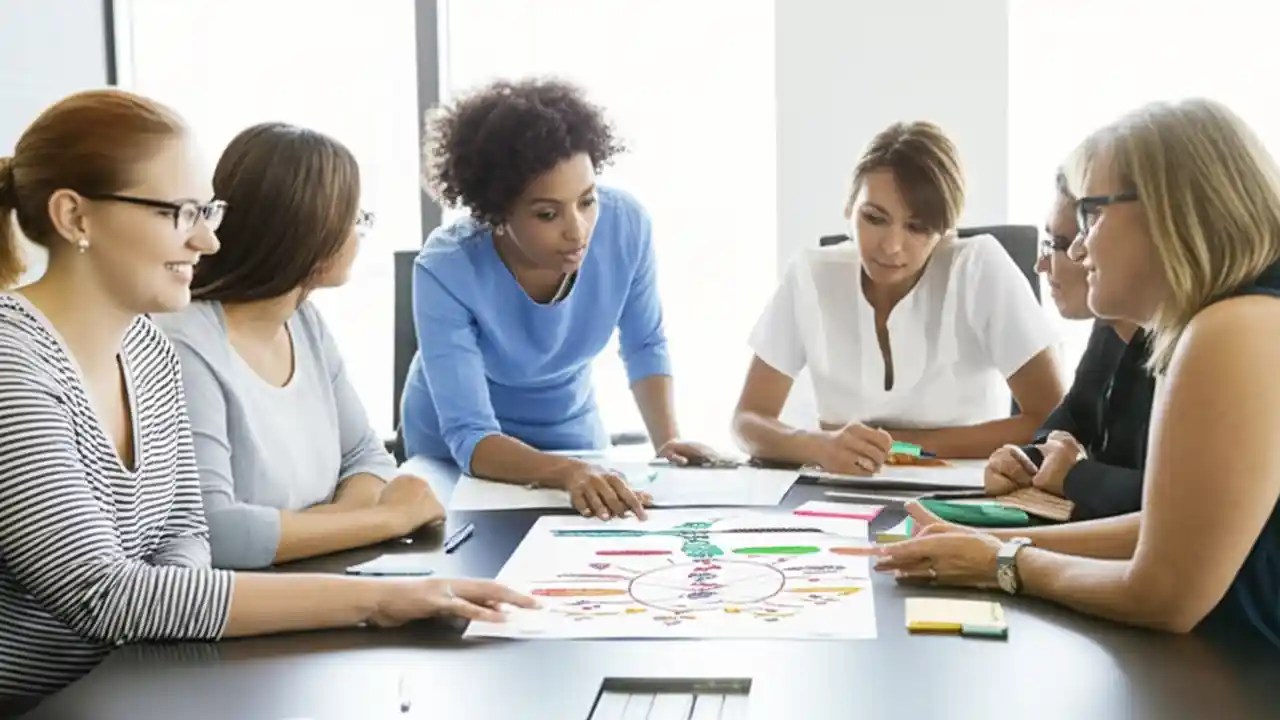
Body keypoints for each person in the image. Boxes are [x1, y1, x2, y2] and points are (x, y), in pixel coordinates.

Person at [0, 90, 533, 710]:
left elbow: (184, 534)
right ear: (75, 219)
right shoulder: (14, 364)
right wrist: (380, 599)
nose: (208, 242)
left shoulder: (145, 348)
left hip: (138, 681)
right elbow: (105, 593)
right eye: (179, 213)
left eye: (209, 211)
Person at [873, 98, 1280, 646]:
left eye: (1091, 213)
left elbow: (1165, 594)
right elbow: (1175, 535)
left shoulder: (1236, 328)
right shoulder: (1238, 319)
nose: (1080, 246)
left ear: (1170, 208)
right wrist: (976, 535)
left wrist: (1000, 561)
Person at [401, 78, 719, 520]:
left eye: (587, 201)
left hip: (569, 431)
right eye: (547, 214)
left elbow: (644, 344)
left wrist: (667, 444)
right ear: (496, 212)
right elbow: (470, 435)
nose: (577, 230)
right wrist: (569, 472)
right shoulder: (446, 267)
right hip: (454, 451)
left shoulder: (626, 225)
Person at [154, 123, 444, 570]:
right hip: (239, 608)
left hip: (313, 575)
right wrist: (387, 518)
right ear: (311, 229)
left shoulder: (303, 320)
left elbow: (366, 456)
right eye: (353, 216)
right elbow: (216, 533)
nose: (359, 231)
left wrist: (321, 525)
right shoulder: (183, 339)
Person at [733, 121, 1064, 475]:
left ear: (945, 228)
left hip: (958, 497)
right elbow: (748, 420)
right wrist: (817, 446)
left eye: (917, 227)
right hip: (839, 493)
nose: (892, 246)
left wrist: (896, 445)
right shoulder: (810, 275)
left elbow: (1053, 418)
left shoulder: (978, 267)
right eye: (874, 218)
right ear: (849, 207)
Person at [984, 151, 1156, 520]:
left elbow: (1181, 500)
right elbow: (1071, 419)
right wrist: (1025, 460)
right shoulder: (1112, 327)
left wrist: (1077, 476)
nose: (1041, 265)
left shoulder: (1200, 341)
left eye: (1061, 243)